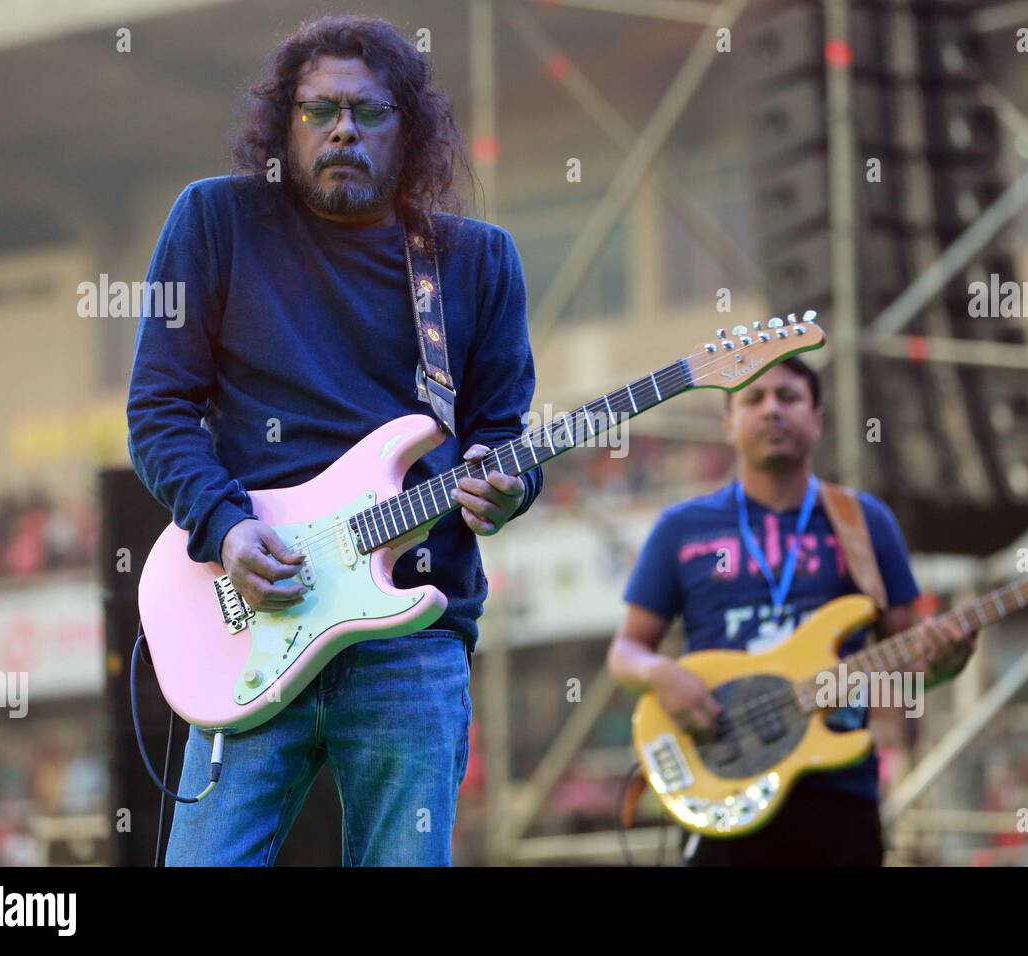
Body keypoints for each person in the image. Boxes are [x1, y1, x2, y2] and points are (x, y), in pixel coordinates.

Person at [126, 14, 543, 866]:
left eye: (370, 111)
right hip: (252, 613)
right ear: (284, 123)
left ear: (412, 128)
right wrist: (227, 526)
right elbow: (159, 409)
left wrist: (504, 485)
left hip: (412, 636)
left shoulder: (475, 261)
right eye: (320, 110)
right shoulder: (216, 221)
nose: (344, 129)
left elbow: (502, 438)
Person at [607, 357, 974, 866]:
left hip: (839, 792)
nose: (772, 410)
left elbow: (903, 668)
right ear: (728, 423)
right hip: (723, 782)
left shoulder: (866, 521)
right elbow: (626, 651)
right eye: (754, 399)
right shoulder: (681, 529)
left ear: (818, 417)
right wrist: (660, 674)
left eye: (789, 397)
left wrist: (945, 664)